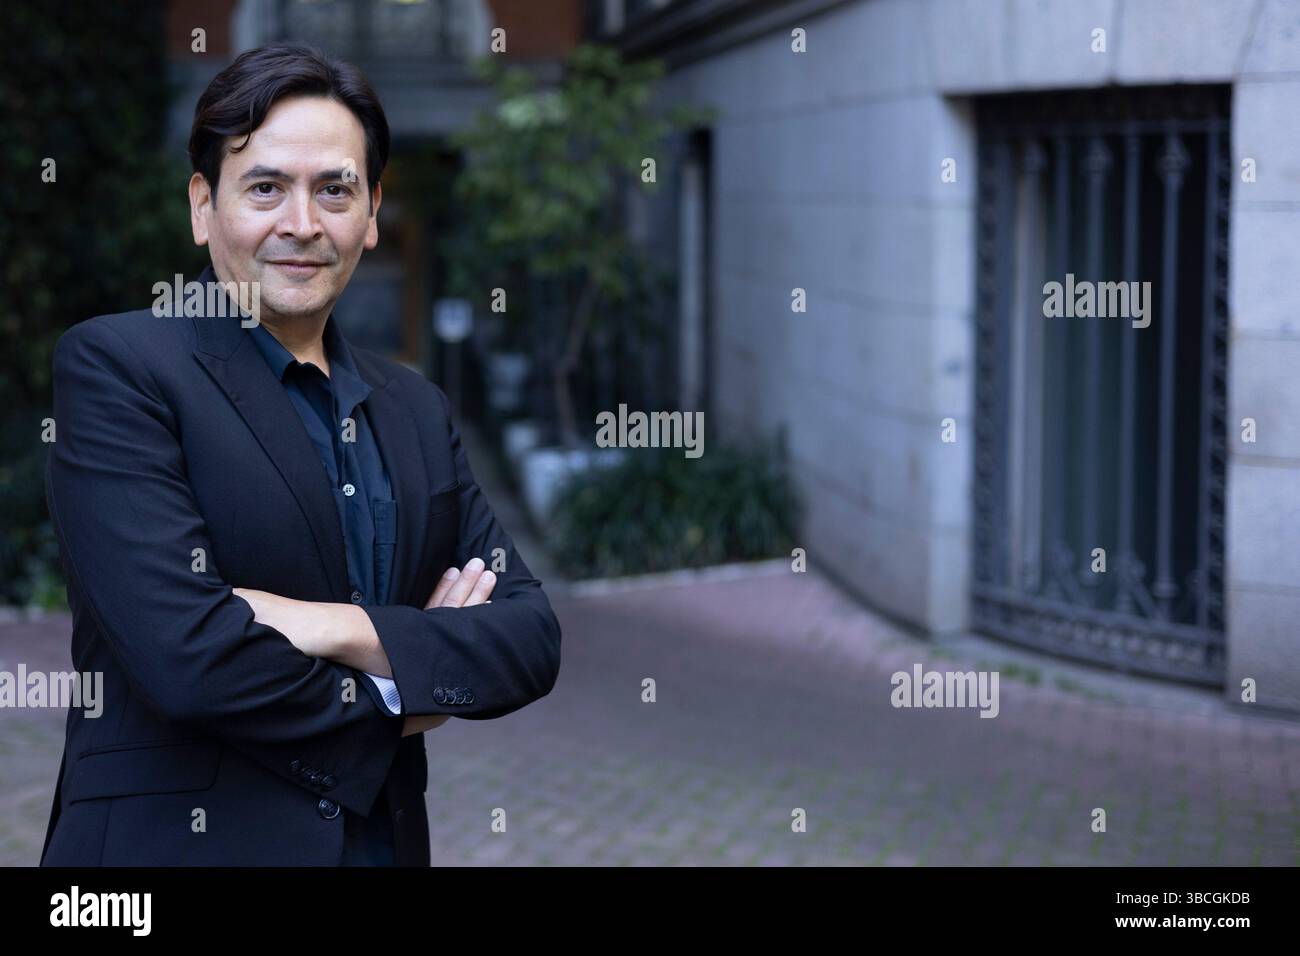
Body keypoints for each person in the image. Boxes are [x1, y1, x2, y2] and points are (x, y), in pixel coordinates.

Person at [39, 43, 561, 866]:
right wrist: (406, 677)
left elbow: (529, 637)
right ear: (203, 207)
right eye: (266, 188)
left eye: (335, 190)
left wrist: (337, 629)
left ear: (374, 209)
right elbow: (187, 660)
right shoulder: (121, 369)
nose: (303, 224)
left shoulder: (415, 409)